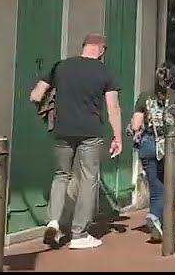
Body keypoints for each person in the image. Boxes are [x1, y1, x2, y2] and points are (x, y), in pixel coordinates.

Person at [28, 33, 123, 250]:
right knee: (89, 179)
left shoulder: (60, 66)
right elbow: (113, 108)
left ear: (83, 47)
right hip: (90, 132)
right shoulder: (104, 72)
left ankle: (53, 222)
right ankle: (79, 234)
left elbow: (35, 95)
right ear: (101, 50)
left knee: (61, 175)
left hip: (62, 130)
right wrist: (117, 137)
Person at [129, 65, 175, 243]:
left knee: (156, 187)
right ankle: (158, 218)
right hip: (169, 145)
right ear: (172, 79)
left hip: (148, 144)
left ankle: (156, 218)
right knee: (174, 183)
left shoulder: (144, 96)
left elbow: (135, 125)